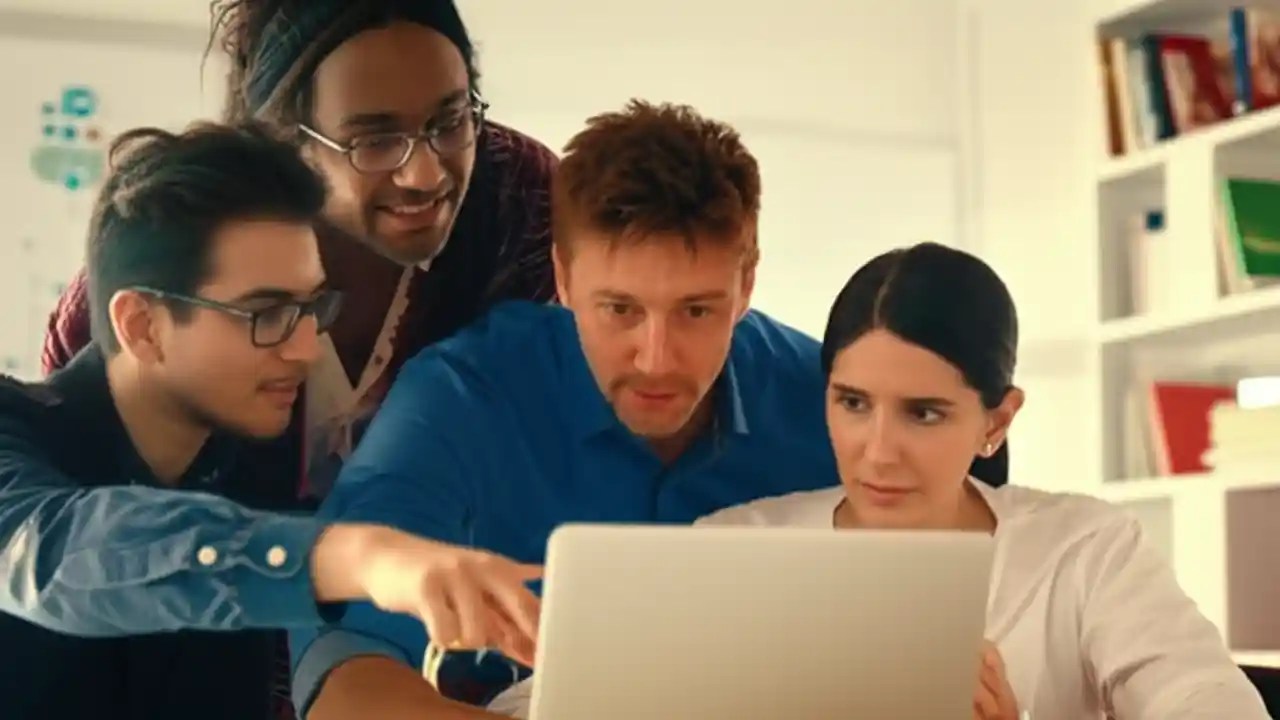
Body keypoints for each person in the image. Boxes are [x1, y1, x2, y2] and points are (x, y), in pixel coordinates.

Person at [291, 101, 1010, 720]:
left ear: (747, 282)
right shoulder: (461, 398)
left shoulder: (836, 401)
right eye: (620, 310)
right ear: (565, 279)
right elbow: (341, 684)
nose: (657, 358)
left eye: (697, 310)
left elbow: (958, 589)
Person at [0, 122, 540, 720]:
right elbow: (50, 554)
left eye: (311, 307)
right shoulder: (12, 432)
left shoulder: (260, 460)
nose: (306, 349)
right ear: (142, 326)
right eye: (266, 313)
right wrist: (355, 559)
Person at [689, 242, 1264, 719]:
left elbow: (1212, 704)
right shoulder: (734, 551)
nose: (879, 452)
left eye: (923, 413)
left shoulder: (1085, 550)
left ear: (997, 420)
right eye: (854, 403)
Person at [40, 0, 558, 500]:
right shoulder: (160, 265)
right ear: (287, 138)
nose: (425, 175)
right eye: (373, 141)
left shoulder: (523, 202)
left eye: (450, 122)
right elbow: (73, 507)